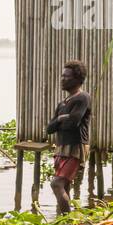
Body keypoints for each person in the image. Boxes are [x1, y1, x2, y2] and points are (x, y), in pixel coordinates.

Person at [46, 59, 92, 216]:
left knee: (56, 183)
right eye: (62, 76)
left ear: (78, 79)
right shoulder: (62, 104)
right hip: (62, 147)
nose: (63, 79)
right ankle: (64, 219)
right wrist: (60, 119)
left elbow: (73, 122)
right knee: (64, 186)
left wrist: (62, 121)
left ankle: (67, 221)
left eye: (67, 76)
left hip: (76, 146)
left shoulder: (83, 98)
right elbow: (49, 128)